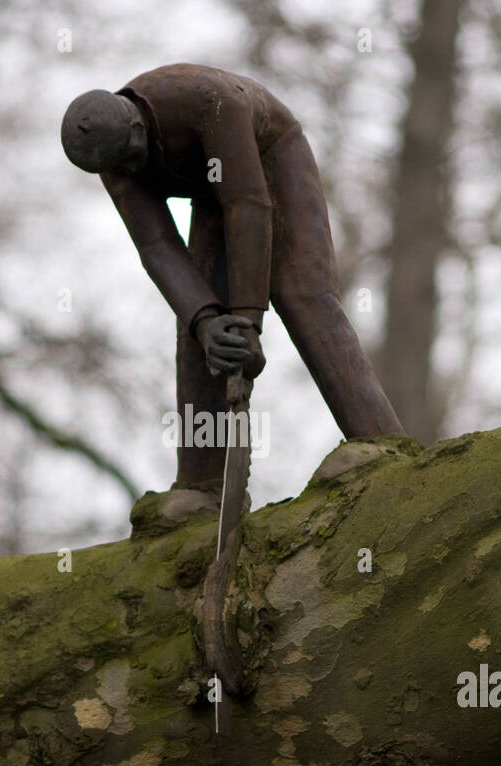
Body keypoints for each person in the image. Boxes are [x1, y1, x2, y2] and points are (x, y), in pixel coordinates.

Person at [61, 63, 405, 492]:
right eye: (121, 167)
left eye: (135, 156)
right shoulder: (110, 156)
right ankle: (202, 483)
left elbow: (247, 202)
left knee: (302, 292)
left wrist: (248, 318)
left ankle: (380, 443)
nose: (133, 170)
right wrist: (207, 322)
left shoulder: (207, 99)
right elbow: (157, 247)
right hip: (214, 190)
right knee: (204, 331)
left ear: (136, 122)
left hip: (270, 157)